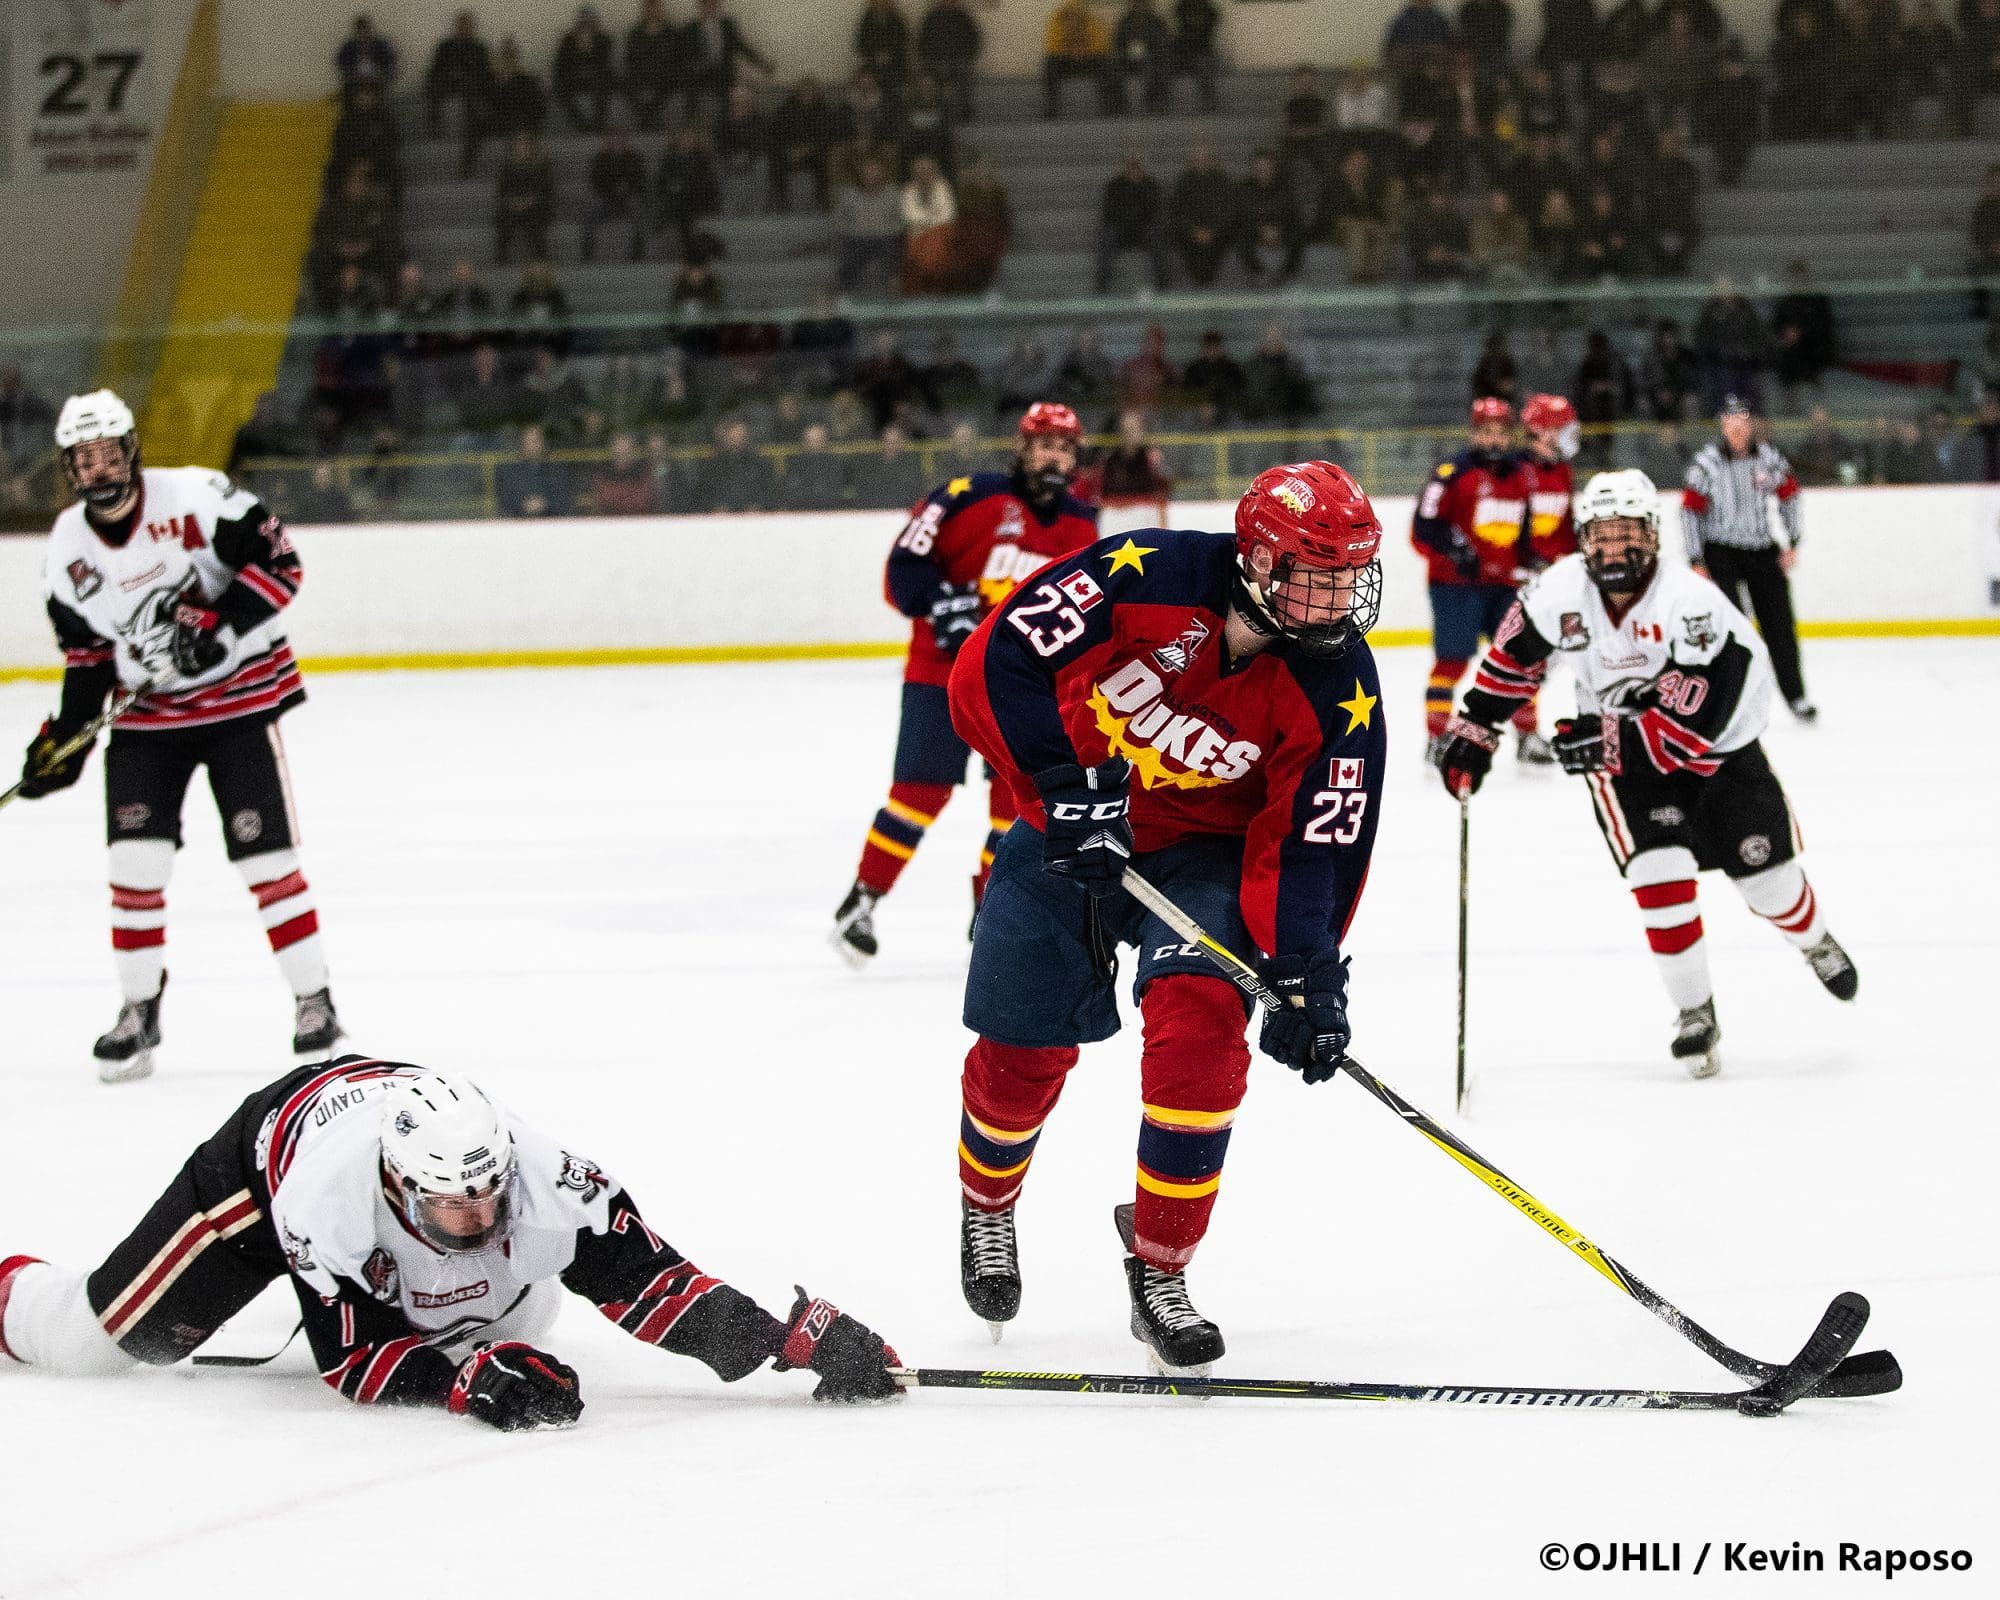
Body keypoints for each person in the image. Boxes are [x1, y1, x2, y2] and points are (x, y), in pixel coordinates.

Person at [945, 461, 1387, 1371]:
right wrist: (1062, 786)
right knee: (1020, 1048)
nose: (1337, 599)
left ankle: (1161, 1267)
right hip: (1068, 819)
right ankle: (987, 1207)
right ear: (1259, 561)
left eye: (1350, 577)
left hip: (1202, 860)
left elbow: (1315, 841)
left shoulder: (1340, 685)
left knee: (1203, 1028)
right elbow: (999, 658)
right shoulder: (1142, 574)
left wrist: (1308, 973)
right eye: (1316, 575)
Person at [0, 1059, 900, 1419]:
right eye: (451, 1206)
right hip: (262, 1160)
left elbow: (653, 1282)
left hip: (379, 1156)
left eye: (488, 1197)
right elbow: (352, 1363)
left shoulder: (552, 1179)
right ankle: (15, 1292)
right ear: (399, 1183)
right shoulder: (327, 1203)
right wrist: (458, 1382)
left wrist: (787, 1340)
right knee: (98, 1345)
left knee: (521, 1323)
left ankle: (467, 1320)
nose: (476, 1218)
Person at [1435, 469, 1858, 1077]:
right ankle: (1695, 1012)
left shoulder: (1693, 603)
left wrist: (1617, 736)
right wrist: (1477, 729)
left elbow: (1707, 713)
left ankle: (1814, 939)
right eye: (1601, 536)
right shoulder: (1559, 592)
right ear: (1582, 539)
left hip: (1723, 754)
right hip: (1627, 763)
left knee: (1770, 884)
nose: (1614, 549)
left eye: (1628, 534)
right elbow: (1511, 659)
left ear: (1653, 537)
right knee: (1659, 873)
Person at [14, 392, 342, 1081]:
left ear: (131, 450)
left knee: (266, 864)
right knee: (135, 869)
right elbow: (88, 658)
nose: (99, 469)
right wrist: (61, 745)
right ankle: (139, 1011)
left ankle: (315, 1000)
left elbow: (282, 566)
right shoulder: (67, 546)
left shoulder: (195, 496)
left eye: (109, 453)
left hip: (236, 707)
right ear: (69, 468)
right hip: (148, 722)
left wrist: (217, 623)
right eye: (84, 459)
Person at [831, 405, 1099, 964]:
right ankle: (862, 901)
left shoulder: (1080, 522)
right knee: (920, 794)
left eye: (1065, 447)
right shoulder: (966, 494)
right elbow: (904, 568)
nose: (1054, 455)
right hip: (941, 674)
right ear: (1022, 449)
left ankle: (989, 916)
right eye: (1044, 444)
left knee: (1016, 804)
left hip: (1021, 683)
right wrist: (935, 603)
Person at [1412, 397, 1552, 761]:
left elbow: (1522, 532)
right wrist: (1456, 551)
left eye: (1500, 433)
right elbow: (1423, 527)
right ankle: (1436, 737)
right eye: (1486, 431)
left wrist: (1531, 557)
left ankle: (1527, 734)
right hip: (1455, 587)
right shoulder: (1450, 474)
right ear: (1474, 432)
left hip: (1504, 586)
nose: (1493, 440)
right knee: (1452, 661)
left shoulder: (1521, 476)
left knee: (1520, 660)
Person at [1682, 395, 1814, 719]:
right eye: (1731, 422)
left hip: (1760, 548)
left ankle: (1796, 696)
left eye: (1743, 421)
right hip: (1720, 550)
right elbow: (1690, 512)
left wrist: (1792, 540)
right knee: (1731, 628)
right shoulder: (1706, 463)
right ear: (1723, 425)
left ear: (1751, 424)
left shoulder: (1769, 458)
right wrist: (1696, 559)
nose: (1737, 429)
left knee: (1779, 624)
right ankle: (1735, 700)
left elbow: (1790, 495)